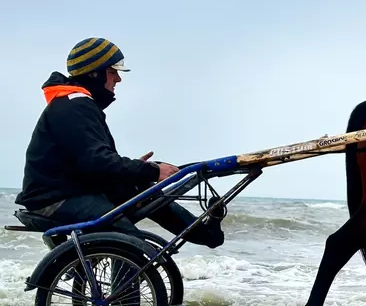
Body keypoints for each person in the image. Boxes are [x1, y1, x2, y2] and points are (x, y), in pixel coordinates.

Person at [14, 37, 224, 248]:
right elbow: (96, 160)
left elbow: (90, 159)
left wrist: (137, 171)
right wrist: (151, 171)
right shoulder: (75, 106)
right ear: (95, 73)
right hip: (54, 198)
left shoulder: (77, 103)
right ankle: (128, 272)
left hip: (72, 188)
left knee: (146, 195)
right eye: (113, 72)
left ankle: (205, 232)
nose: (118, 80)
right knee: (129, 241)